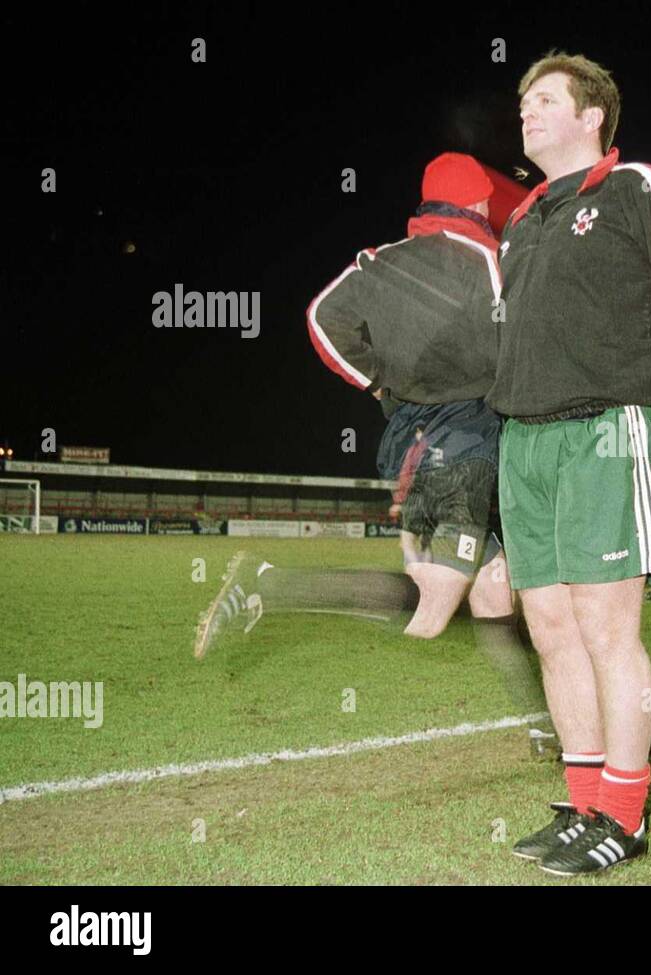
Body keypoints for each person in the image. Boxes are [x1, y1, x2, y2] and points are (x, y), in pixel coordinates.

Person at [194, 154, 556, 757]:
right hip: (467, 443)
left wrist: (376, 381)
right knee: (432, 610)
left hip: (410, 446)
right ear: (473, 205)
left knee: (494, 587)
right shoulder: (492, 264)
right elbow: (523, 350)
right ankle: (271, 585)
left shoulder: (380, 262)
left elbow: (320, 318)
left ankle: (546, 726)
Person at [488, 51, 651, 875]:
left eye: (544, 99)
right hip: (524, 440)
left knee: (606, 629)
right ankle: (581, 802)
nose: (527, 112)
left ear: (592, 116)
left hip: (609, 430)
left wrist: (637, 399)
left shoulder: (636, 189)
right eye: (523, 103)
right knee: (551, 632)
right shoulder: (520, 221)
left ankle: (622, 816)